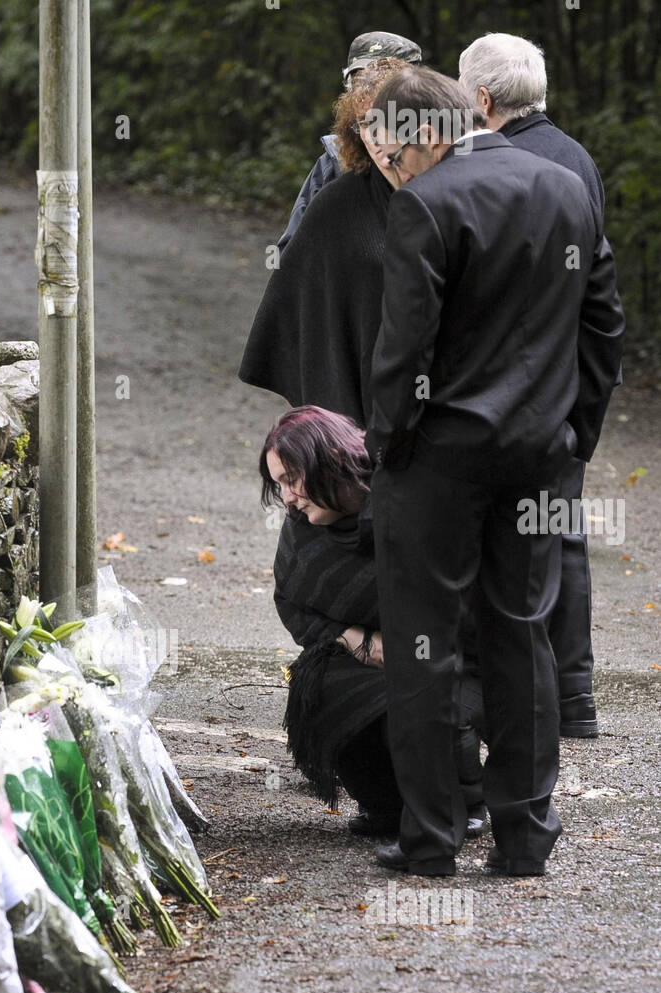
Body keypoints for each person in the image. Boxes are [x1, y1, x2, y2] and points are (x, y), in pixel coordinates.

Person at [363, 67, 625, 877]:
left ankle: (433, 838)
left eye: (393, 150)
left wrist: (387, 444)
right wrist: (572, 433)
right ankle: (523, 834)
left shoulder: (425, 204)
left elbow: (404, 348)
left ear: (421, 135)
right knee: (522, 632)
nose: (391, 167)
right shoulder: (563, 188)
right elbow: (602, 326)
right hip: (538, 455)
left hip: (439, 457)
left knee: (424, 643)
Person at [459, 32, 612, 738]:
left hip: (494, 397)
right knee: (562, 536)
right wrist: (585, 413)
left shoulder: (480, 165)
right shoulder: (576, 159)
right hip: (563, 393)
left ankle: (496, 695)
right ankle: (572, 695)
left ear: (481, 98)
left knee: (488, 543)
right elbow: (598, 305)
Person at [260, 405, 486, 837]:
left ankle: (465, 796)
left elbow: (468, 600)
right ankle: (385, 805)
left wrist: (410, 645)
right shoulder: (302, 525)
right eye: (278, 484)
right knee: (323, 687)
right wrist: (357, 639)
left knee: (420, 694)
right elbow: (292, 605)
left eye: (292, 479)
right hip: (367, 654)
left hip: (455, 655)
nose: (287, 497)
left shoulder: (407, 505)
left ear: (329, 463)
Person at [240, 56, 408, 420]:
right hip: (357, 403)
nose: (378, 139)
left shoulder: (451, 194)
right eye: (366, 125)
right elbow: (294, 296)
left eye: (388, 123)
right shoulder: (337, 202)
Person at [276, 30, 422, 251]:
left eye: (387, 81)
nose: (372, 89)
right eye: (361, 81)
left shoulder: (438, 154)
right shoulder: (334, 161)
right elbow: (292, 253)